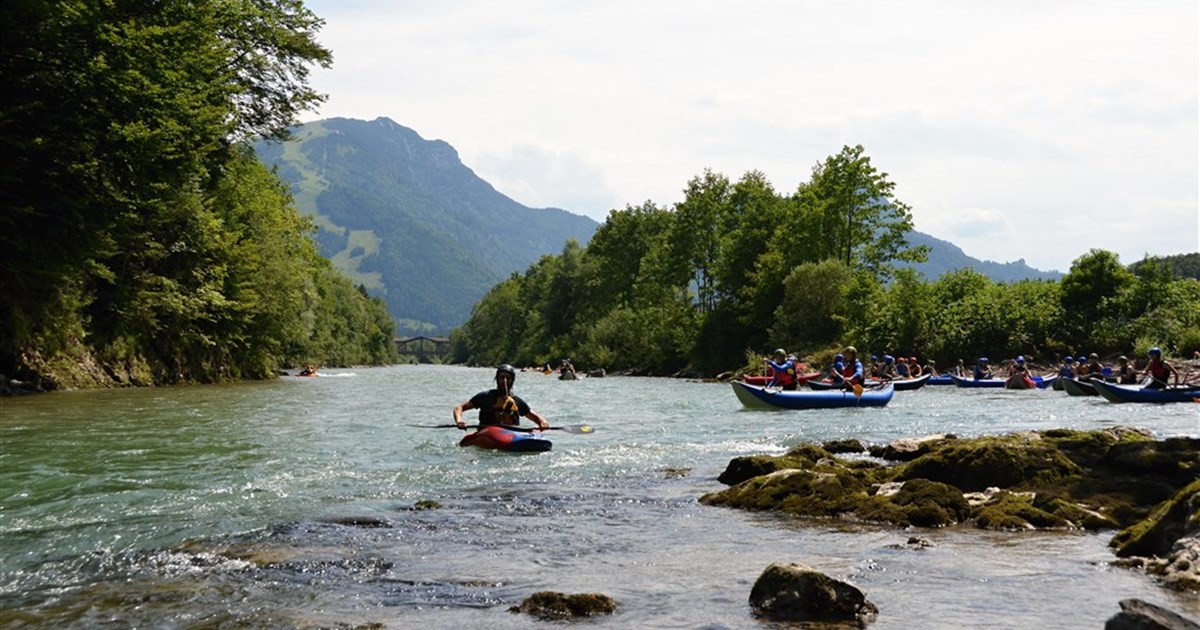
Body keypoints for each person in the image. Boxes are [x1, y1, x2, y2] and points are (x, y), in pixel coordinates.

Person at [454, 364, 550, 430]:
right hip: (488, 433)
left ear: (512, 381)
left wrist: (543, 422)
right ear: (497, 379)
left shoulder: (517, 401)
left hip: (511, 434)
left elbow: (536, 418)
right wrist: (459, 421)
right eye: (501, 378)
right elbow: (459, 408)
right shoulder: (485, 396)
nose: (504, 380)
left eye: (508, 378)